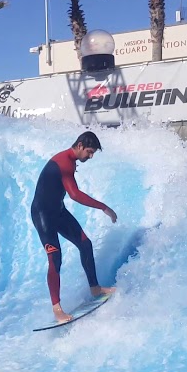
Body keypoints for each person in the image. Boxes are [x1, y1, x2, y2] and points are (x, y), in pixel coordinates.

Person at [30, 131, 118, 323]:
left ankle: (95, 288)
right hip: (43, 216)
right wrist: (104, 207)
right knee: (55, 258)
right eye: (89, 151)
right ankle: (57, 309)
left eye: (93, 152)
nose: (91, 156)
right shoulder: (64, 163)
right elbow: (75, 195)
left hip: (58, 212)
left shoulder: (69, 162)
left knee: (85, 244)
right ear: (79, 145)